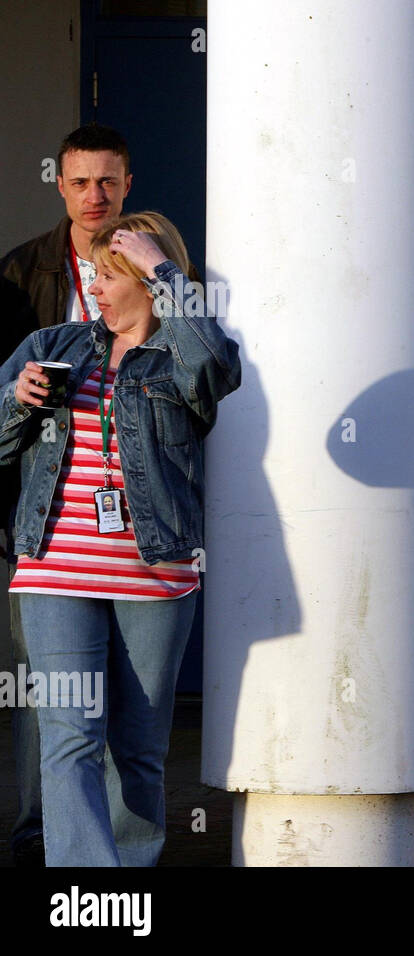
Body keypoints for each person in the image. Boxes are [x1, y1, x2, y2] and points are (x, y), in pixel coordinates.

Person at [0, 211, 240, 866]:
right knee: (70, 740)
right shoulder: (54, 343)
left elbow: (219, 368)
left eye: (110, 276)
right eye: (94, 274)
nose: (96, 289)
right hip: (55, 574)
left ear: (148, 282)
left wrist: (166, 269)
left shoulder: (182, 358)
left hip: (154, 578)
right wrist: (16, 400)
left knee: (138, 752)